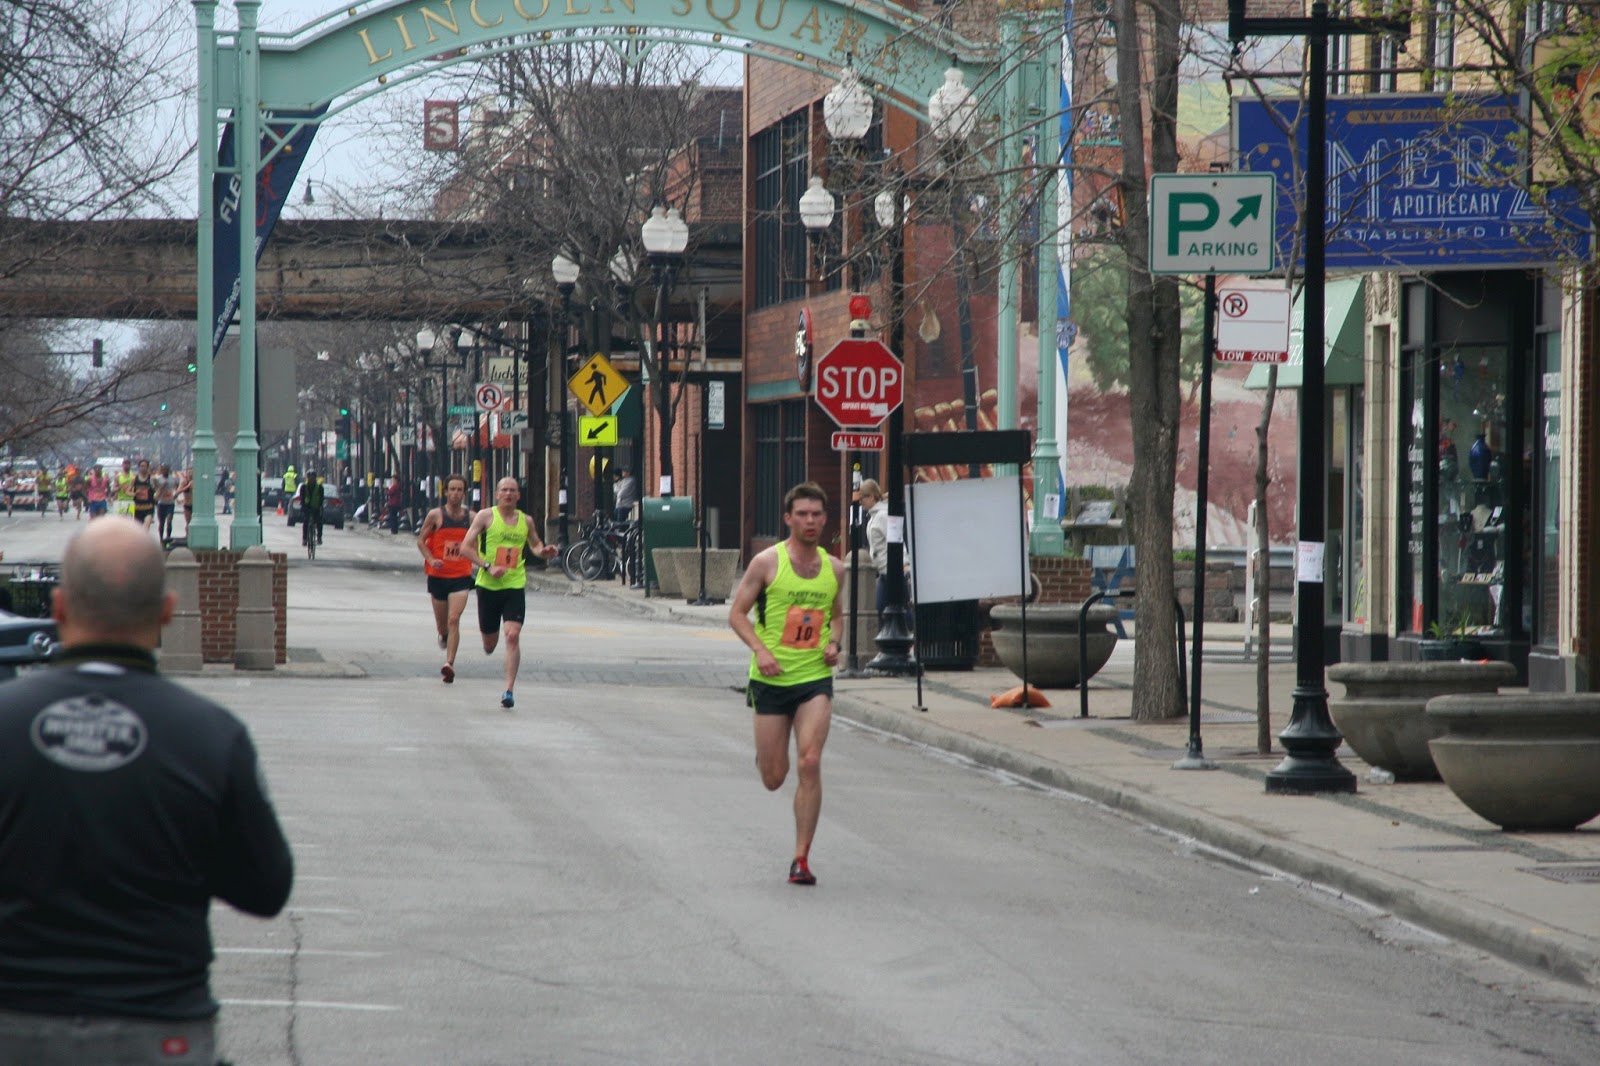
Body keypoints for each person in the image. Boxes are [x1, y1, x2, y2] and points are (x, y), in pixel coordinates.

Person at [0, 516, 293, 1063]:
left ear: (59, 609)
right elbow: (266, 887)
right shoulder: (210, 736)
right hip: (159, 1023)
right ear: (166, 612)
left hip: (15, 1018)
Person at [727, 481, 845, 887]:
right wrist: (761, 650)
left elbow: (837, 614)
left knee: (810, 761)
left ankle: (801, 858)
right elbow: (738, 614)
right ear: (788, 519)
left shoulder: (836, 568)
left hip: (814, 678)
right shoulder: (766, 563)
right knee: (775, 777)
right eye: (803, 514)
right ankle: (767, 755)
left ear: (825, 520)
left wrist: (834, 641)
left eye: (817, 515)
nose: (810, 521)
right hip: (771, 679)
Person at [459, 477, 559, 709]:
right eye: (504, 490)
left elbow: (535, 545)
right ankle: (489, 644)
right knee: (489, 644)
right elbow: (465, 547)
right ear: (497, 494)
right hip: (488, 585)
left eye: (513, 490)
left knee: (512, 636)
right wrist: (487, 566)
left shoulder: (526, 520)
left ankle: (508, 690)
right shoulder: (485, 516)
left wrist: (544, 551)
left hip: (515, 585)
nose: (508, 494)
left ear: (518, 496)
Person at [417, 474, 475, 684]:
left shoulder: (471, 517)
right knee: (443, 627)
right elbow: (421, 541)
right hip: (438, 576)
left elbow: (482, 538)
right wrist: (431, 560)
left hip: (461, 575)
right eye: (452, 489)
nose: (456, 493)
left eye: (460, 489)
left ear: (464, 492)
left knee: (454, 619)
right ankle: (443, 637)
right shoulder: (435, 516)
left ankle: (449, 663)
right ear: (446, 491)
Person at [859, 478, 890, 622]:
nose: (860, 502)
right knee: (881, 610)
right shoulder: (874, 517)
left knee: (884, 609)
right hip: (882, 572)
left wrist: (904, 562)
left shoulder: (882, 516)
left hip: (889, 571)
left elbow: (895, 539)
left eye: (862, 498)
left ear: (871, 496)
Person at [295, 470, 325, 547]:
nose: (311, 479)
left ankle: (319, 537)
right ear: (307, 478)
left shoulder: (320, 487)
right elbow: (302, 498)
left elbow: (321, 498)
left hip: (316, 507)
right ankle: (304, 539)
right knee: (306, 521)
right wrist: (303, 506)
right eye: (309, 477)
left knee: (319, 521)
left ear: (315, 478)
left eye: (313, 477)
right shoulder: (303, 487)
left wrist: (320, 507)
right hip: (306, 507)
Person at [154, 463, 178, 543]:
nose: (165, 471)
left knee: (169, 520)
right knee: (162, 523)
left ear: (169, 470)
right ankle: (161, 539)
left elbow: (176, 488)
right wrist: (161, 487)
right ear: (161, 471)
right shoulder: (158, 479)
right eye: (163, 470)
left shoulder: (173, 479)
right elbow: (155, 490)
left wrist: (175, 494)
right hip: (161, 503)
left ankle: (168, 538)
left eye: (167, 470)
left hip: (170, 503)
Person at [131, 458, 156, 531]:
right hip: (137, 508)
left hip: (148, 507)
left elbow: (157, 491)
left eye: (145, 466)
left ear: (148, 467)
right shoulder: (135, 479)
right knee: (138, 530)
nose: (143, 468)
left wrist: (157, 494)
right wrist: (135, 493)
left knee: (145, 528)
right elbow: (128, 491)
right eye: (141, 466)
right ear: (139, 467)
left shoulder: (152, 479)